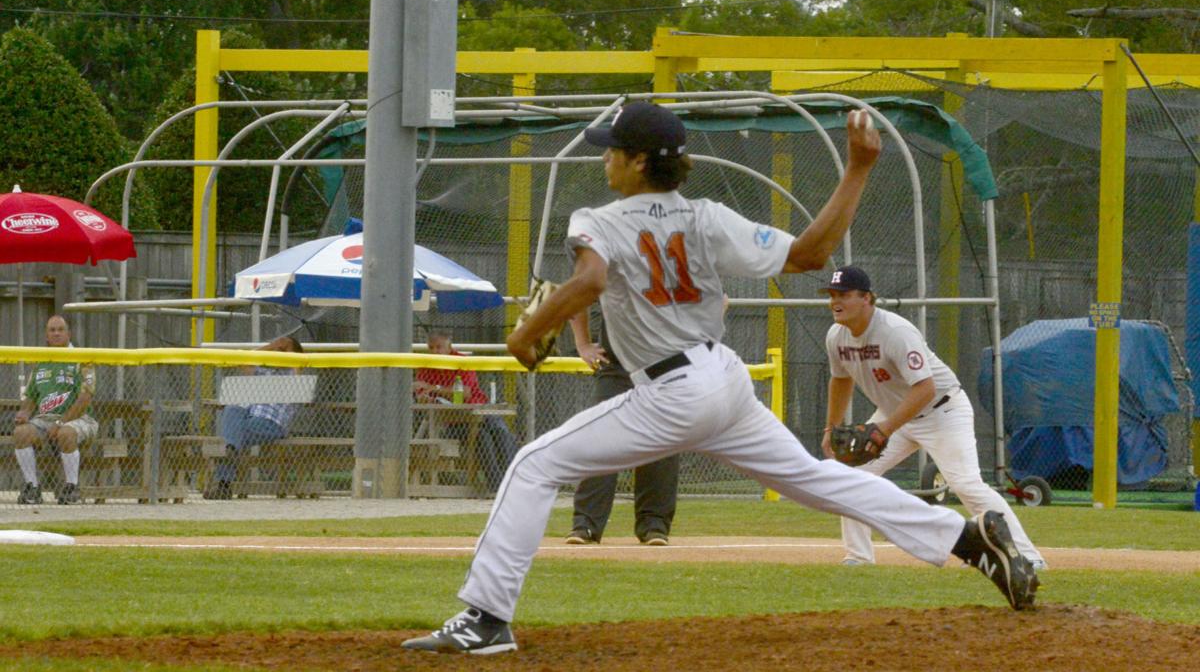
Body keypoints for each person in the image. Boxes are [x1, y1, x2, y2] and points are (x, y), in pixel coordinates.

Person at [402, 102, 1037, 655]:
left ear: (639, 161)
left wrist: (527, 328)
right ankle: (971, 541)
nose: (606, 162)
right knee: (816, 481)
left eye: (615, 151)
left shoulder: (599, 218)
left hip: (672, 391)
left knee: (533, 465)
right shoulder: (707, 217)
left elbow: (592, 280)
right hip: (723, 380)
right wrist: (859, 169)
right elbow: (811, 255)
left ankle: (485, 619)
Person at [819, 265, 1047, 570]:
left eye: (844, 294)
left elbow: (925, 388)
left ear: (867, 299)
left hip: (942, 410)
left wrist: (884, 429)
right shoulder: (836, 337)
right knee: (852, 477)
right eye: (832, 294)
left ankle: (1028, 557)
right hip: (895, 414)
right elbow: (841, 380)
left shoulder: (895, 332)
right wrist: (831, 427)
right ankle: (858, 557)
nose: (836, 301)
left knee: (966, 484)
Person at [566, 310, 678, 546]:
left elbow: (719, 300)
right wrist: (583, 345)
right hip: (616, 367)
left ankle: (654, 525)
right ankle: (585, 524)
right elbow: (577, 299)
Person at [414, 330, 518, 493]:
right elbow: (420, 393)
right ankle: (497, 487)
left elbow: (465, 393)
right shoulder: (426, 366)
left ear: (449, 347)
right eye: (431, 348)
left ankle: (516, 480)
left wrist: (434, 388)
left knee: (500, 431)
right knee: (482, 437)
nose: (435, 352)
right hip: (454, 422)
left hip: (479, 411)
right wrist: (423, 396)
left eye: (439, 347)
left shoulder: (462, 361)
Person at [205, 336, 304, 500]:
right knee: (232, 409)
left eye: (283, 350)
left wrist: (286, 347)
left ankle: (224, 479)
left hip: (271, 424)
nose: (277, 351)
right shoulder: (264, 371)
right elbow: (242, 360)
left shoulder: (293, 372)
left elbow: (296, 362)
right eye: (276, 349)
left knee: (231, 437)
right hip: (248, 420)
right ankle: (229, 456)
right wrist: (272, 346)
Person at [12, 314, 98, 505]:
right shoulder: (40, 360)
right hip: (45, 419)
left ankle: (71, 488)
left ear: (69, 333)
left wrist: (61, 423)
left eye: (60, 329)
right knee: (21, 433)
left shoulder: (82, 359)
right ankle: (32, 488)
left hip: (80, 419)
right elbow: (31, 396)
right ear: (46, 335)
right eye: (52, 330)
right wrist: (25, 412)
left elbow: (85, 398)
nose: (56, 333)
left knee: (66, 433)